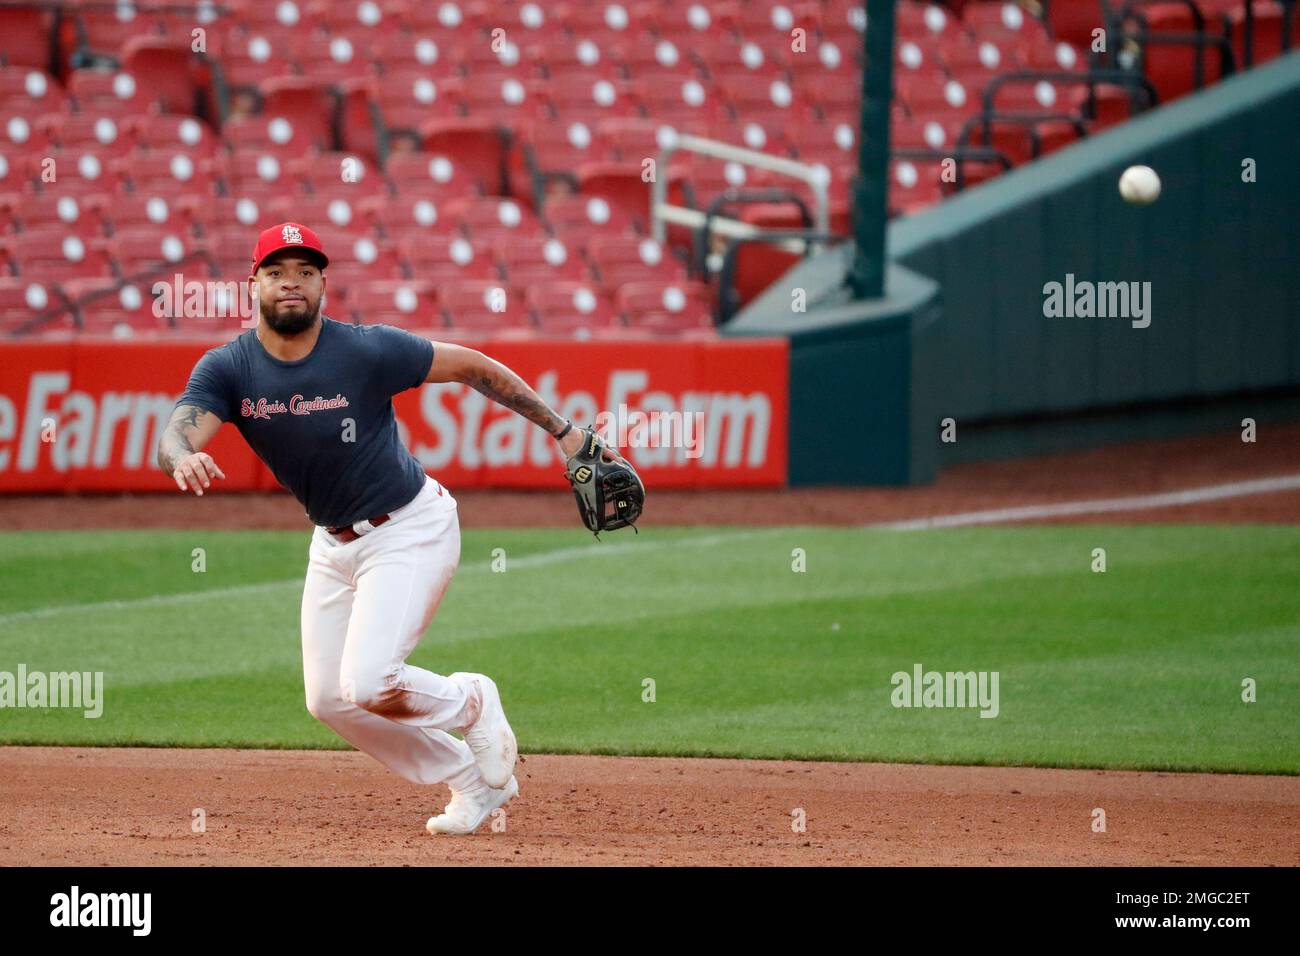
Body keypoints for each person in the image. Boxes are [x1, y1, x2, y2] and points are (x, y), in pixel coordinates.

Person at [156, 222, 621, 835]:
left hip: (409, 528)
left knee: (370, 682)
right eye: (275, 272)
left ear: (324, 283)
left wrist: (564, 431)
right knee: (327, 700)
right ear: (253, 286)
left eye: (304, 272)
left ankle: (473, 701)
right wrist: (181, 454)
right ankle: (470, 778)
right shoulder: (231, 368)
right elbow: (177, 432)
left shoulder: (365, 350)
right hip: (331, 544)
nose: (290, 283)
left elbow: (472, 366)